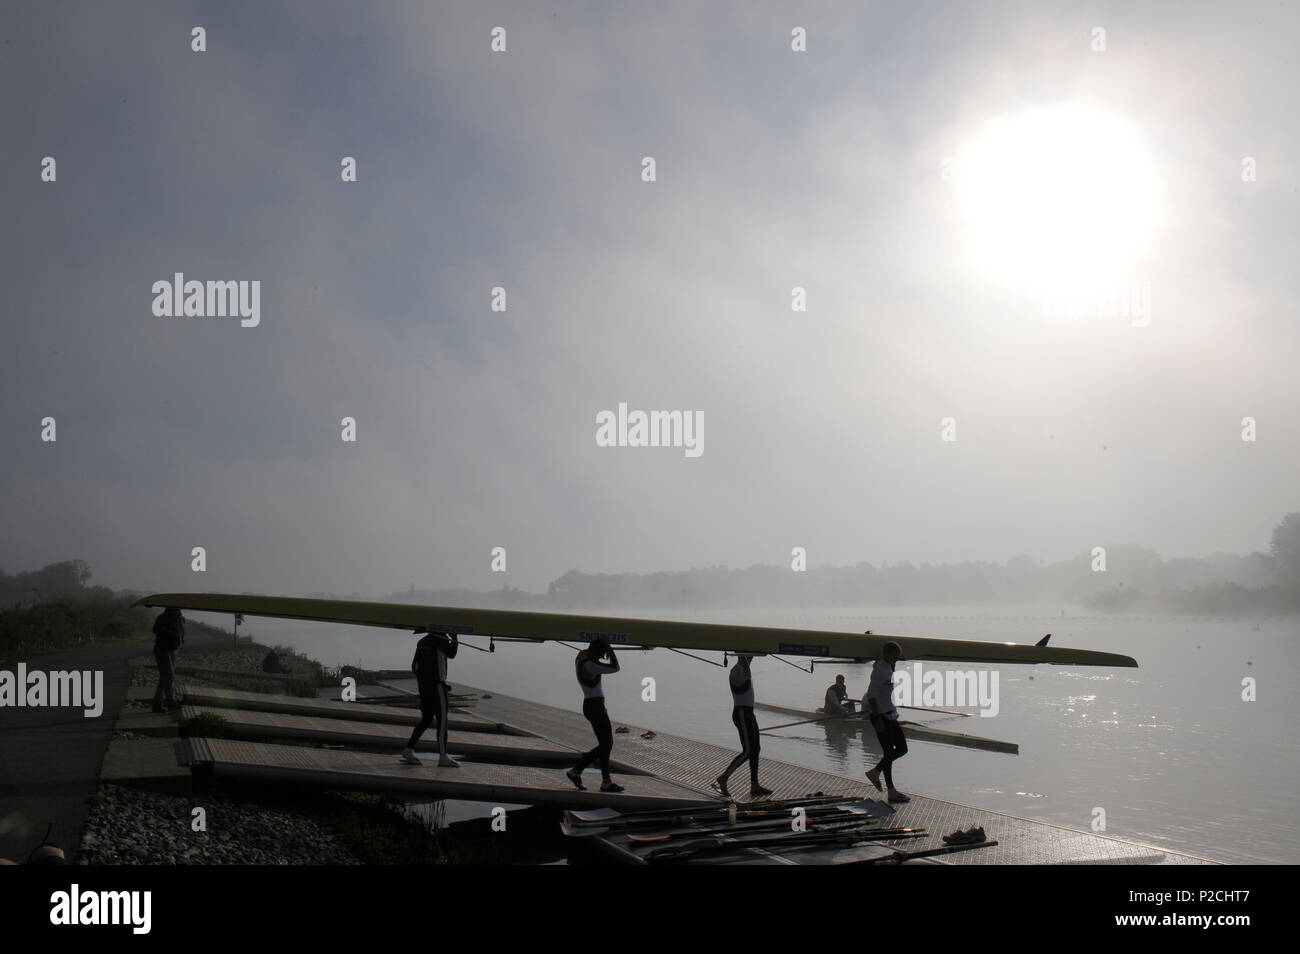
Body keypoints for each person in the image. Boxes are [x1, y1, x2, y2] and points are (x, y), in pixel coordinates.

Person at [566, 637, 624, 793]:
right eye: (601, 654)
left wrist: (603, 646)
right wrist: (611, 650)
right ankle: (576, 771)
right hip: (595, 706)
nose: (601, 657)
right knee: (606, 745)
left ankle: (605, 782)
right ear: (596, 651)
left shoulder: (581, 657)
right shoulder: (590, 665)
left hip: (590, 705)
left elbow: (591, 652)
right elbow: (615, 667)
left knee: (606, 745)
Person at [715, 654, 772, 799]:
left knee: (756, 749)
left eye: (751, 658)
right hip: (741, 713)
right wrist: (743, 655)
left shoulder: (744, 669)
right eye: (749, 658)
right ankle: (724, 777)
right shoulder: (737, 671)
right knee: (747, 751)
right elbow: (747, 672)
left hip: (749, 714)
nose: (751, 660)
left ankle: (754, 784)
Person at [400, 627, 459, 767]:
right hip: (437, 686)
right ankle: (443, 756)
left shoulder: (422, 641)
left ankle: (409, 749)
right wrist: (455, 638)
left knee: (426, 719)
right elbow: (451, 654)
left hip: (424, 687)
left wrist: (423, 683)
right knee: (442, 722)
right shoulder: (441, 640)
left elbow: (414, 666)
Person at [863, 641, 909, 803]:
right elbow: (872, 695)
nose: (897, 659)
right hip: (881, 716)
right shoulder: (881, 670)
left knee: (889, 753)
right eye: (895, 656)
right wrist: (877, 718)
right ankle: (875, 772)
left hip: (888, 714)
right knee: (901, 749)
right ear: (887, 654)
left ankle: (891, 791)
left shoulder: (888, 666)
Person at [151, 606, 184, 712]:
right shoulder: (163, 617)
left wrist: (180, 640)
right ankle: (171, 702)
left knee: (164, 678)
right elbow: (155, 629)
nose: (180, 609)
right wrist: (171, 633)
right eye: (178, 608)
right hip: (163, 649)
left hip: (173, 649)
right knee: (169, 676)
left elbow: (180, 632)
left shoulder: (178, 618)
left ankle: (157, 704)